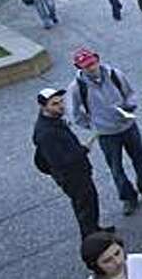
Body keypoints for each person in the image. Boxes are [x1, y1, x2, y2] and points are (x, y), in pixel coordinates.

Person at [67, 49, 142, 217]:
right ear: (79, 67)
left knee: (140, 160)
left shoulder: (115, 75)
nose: (91, 68)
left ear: (97, 59)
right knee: (116, 168)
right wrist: (93, 125)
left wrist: (130, 106)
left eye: (92, 63)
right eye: (86, 66)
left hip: (128, 126)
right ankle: (128, 198)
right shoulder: (77, 88)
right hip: (106, 134)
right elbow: (74, 114)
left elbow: (130, 94)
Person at [32, 88, 110, 238]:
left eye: (61, 101)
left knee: (90, 202)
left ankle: (95, 230)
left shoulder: (53, 120)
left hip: (78, 172)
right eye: (55, 104)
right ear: (44, 107)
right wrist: (83, 150)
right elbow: (59, 161)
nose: (61, 106)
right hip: (72, 177)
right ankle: (91, 239)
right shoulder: (46, 133)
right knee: (84, 206)